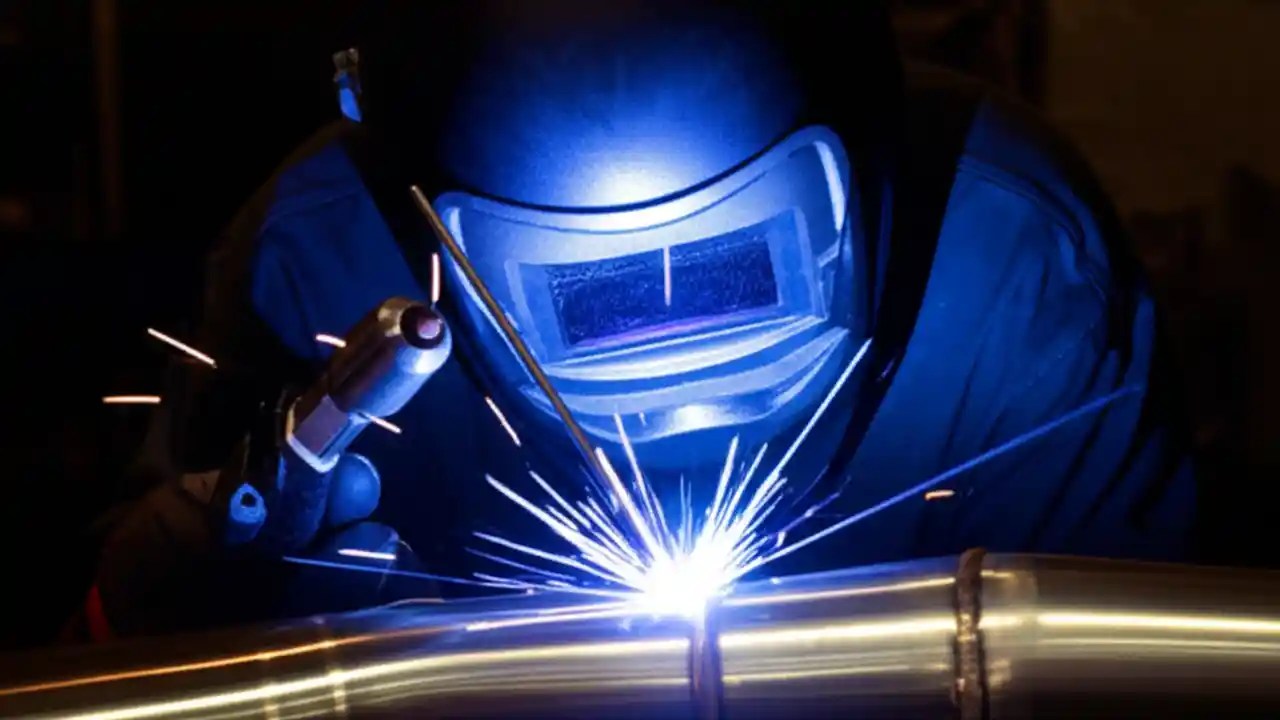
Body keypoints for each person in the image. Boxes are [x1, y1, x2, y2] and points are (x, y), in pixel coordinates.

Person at [76, 1, 1196, 638]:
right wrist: (176, 617)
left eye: (723, 271)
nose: (678, 385)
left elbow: (1129, 659)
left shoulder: (1008, 259)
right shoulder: (316, 261)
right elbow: (128, 624)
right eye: (592, 297)